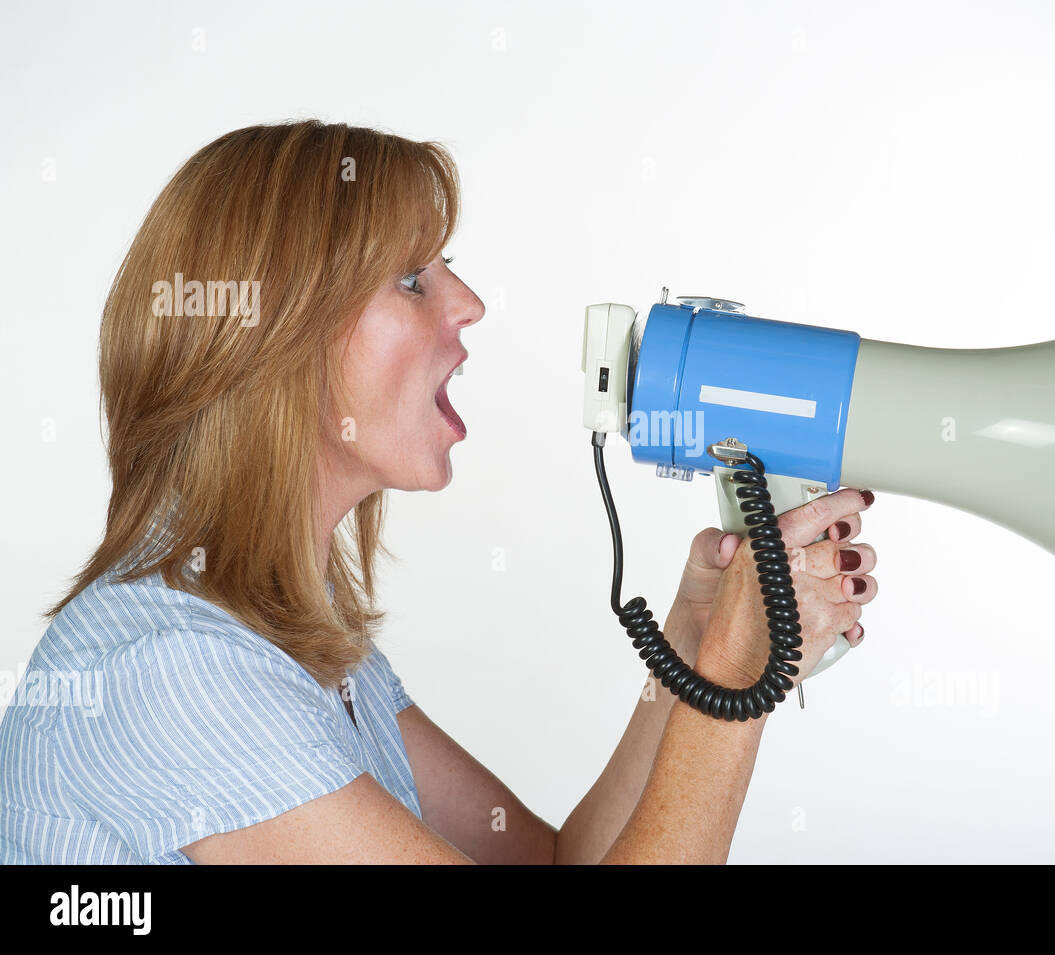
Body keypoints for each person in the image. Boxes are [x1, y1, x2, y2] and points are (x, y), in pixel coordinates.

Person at [0, 120, 878, 864]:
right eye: (412, 279)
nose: (468, 303)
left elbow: (552, 861)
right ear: (274, 345)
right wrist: (738, 677)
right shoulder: (176, 673)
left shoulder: (298, 641)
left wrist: (689, 649)